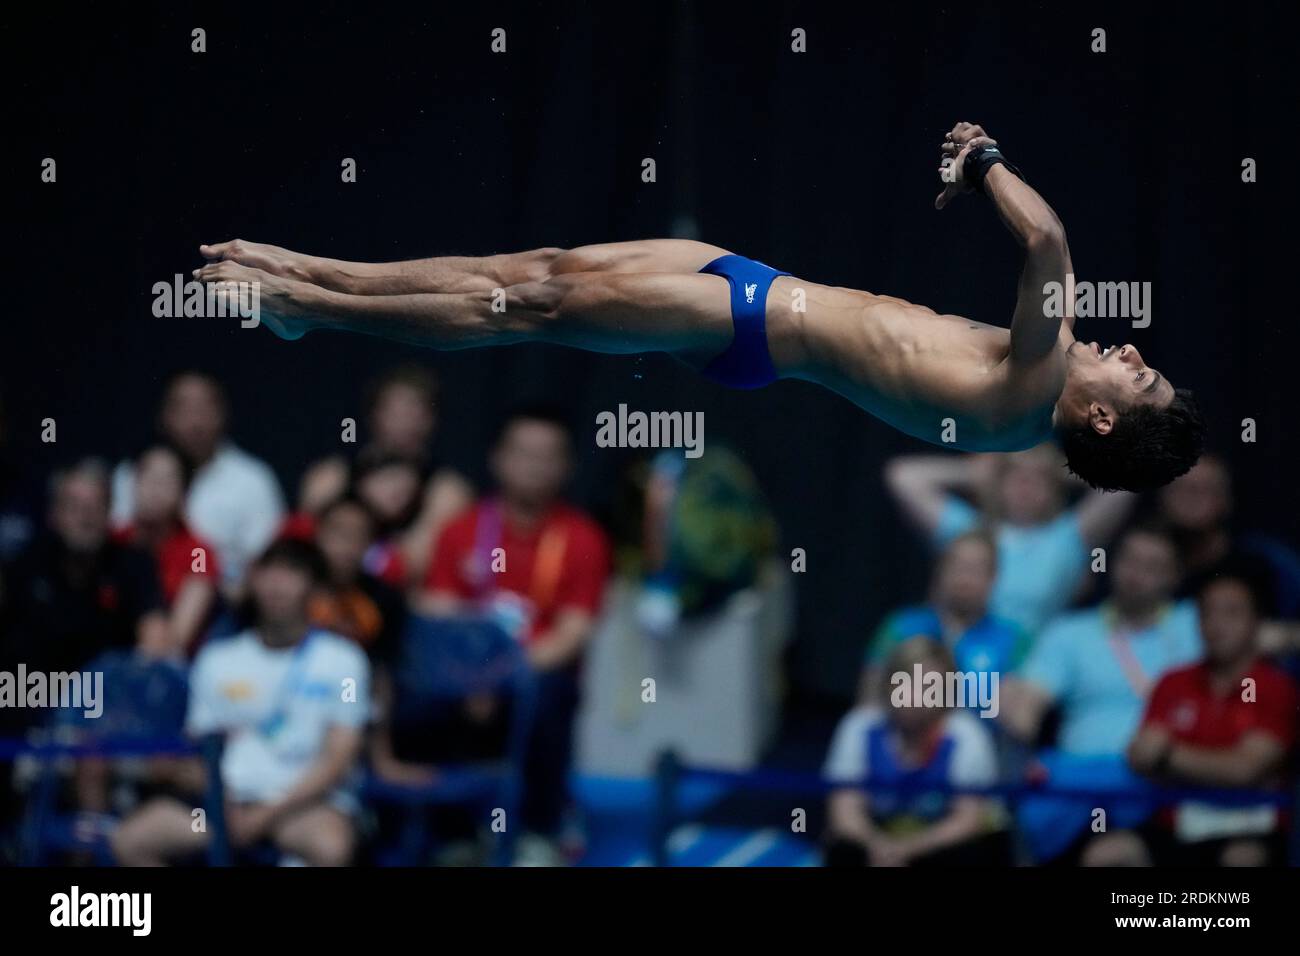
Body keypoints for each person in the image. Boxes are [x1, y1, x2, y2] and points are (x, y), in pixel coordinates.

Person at [195, 122, 1204, 492]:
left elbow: (1046, 238)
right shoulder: (1053, 358)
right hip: (754, 281)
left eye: (1135, 372)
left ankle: (310, 307)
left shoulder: (1029, 392)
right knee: (533, 264)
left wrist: (981, 160)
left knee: (531, 304)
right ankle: (313, 273)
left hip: (748, 326)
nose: (1128, 349)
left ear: (1103, 415)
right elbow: (1052, 265)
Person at [419, 405, 611, 864]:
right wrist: (471, 676)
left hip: (535, 672)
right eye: (523, 453)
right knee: (426, 692)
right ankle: (454, 832)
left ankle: (539, 827)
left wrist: (501, 676)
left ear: (567, 466)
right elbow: (438, 614)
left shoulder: (582, 538)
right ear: (498, 459)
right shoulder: (461, 529)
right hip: (465, 671)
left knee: (545, 695)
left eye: (548, 456)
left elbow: (573, 632)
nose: (535, 465)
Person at [110, 539, 370, 867]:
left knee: (330, 846)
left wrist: (266, 815)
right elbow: (200, 748)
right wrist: (223, 806)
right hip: (217, 812)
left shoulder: (345, 664)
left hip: (299, 810)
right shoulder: (217, 660)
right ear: (253, 580)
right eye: (269, 572)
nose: (277, 584)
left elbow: (339, 756)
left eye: (292, 573)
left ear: (314, 586)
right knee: (132, 840)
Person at [999, 524, 1202, 864]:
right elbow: (1028, 705)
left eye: (1153, 567)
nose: (1137, 574)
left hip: (1166, 787)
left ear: (1175, 576)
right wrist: (1013, 711)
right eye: (1130, 561)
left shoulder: (1197, 626)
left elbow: (1257, 639)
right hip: (1082, 791)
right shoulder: (1070, 632)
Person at [1128, 564, 1297, 867]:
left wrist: (1168, 755)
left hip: (1248, 827)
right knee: (1110, 851)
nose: (1217, 624)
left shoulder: (1275, 687)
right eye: (1207, 613)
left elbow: (1244, 770)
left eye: (1232, 613)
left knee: (1242, 860)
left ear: (1257, 623)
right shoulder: (1174, 681)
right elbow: (1139, 755)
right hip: (1175, 824)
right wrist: (1217, 764)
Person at [886, 446, 1135, 635]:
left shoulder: (1067, 538)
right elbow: (904, 476)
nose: (1025, 485)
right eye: (1015, 475)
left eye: (1039, 478)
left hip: (1030, 675)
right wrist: (975, 473)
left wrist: (1067, 470)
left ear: (1054, 489)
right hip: (952, 661)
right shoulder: (970, 529)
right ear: (998, 483)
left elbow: (1126, 483)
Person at [824, 637, 1009, 866]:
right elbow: (844, 813)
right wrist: (878, 846)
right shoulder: (859, 727)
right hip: (876, 843)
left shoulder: (967, 736)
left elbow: (968, 820)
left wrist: (906, 850)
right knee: (842, 848)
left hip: (940, 848)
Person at [111, 371, 285, 596]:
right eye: (184, 410)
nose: (195, 422)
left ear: (223, 414)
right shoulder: (130, 473)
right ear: (164, 416)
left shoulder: (253, 480)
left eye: (204, 409)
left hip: (225, 605)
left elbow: (269, 562)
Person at [296, 365, 472, 586]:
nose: (403, 422)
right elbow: (302, 553)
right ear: (373, 414)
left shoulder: (447, 491)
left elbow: (413, 565)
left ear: (431, 420)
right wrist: (366, 502)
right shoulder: (329, 476)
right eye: (394, 411)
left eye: (414, 412)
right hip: (325, 597)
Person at [861, 530, 1029, 705]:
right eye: (957, 566)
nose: (965, 578)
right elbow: (869, 698)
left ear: (994, 577)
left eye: (976, 569)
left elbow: (1020, 722)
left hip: (980, 730)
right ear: (940, 570)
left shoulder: (1014, 639)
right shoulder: (901, 626)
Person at [112, 443, 222, 655]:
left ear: (184, 493)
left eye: (166, 481)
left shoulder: (198, 553)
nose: (155, 489)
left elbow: (178, 636)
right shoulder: (113, 541)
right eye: (148, 477)